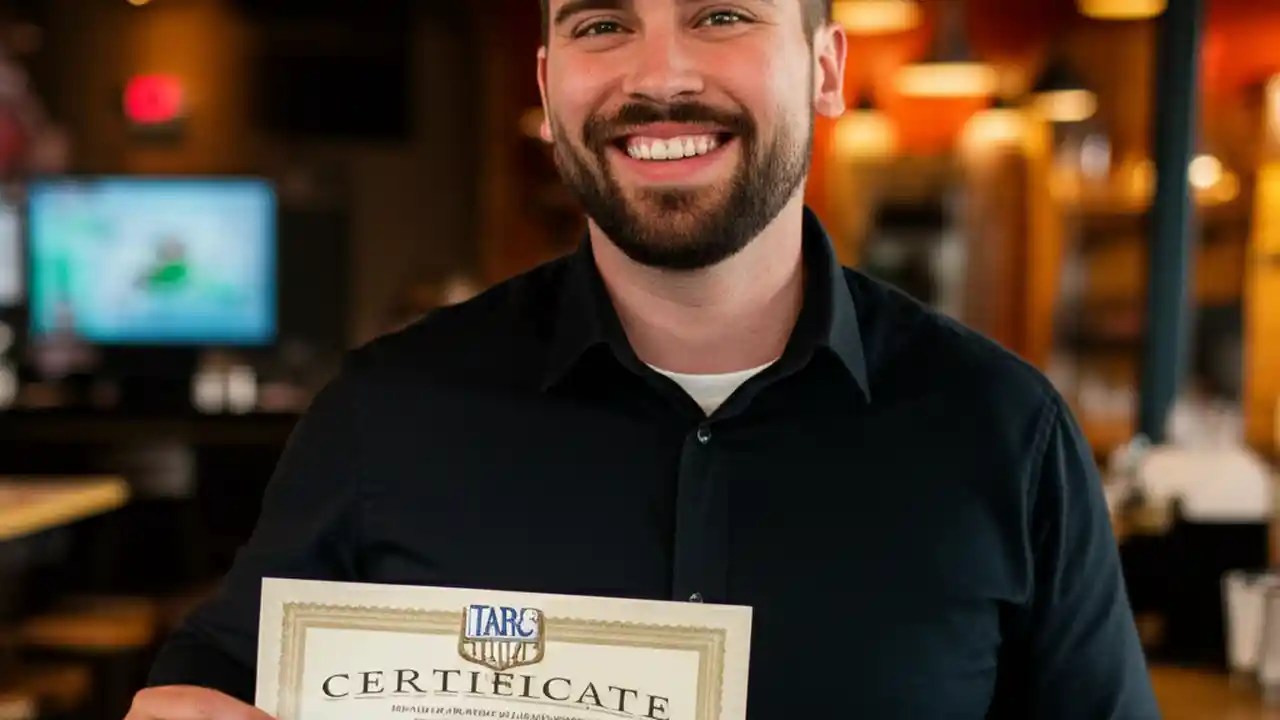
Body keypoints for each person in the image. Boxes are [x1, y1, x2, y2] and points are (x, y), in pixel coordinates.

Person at [128, 0, 1161, 717]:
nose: (659, 76)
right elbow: (222, 668)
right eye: (600, 25)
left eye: (720, 16)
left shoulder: (1002, 432)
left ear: (825, 69)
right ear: (549, 83)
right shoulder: (384, 414)